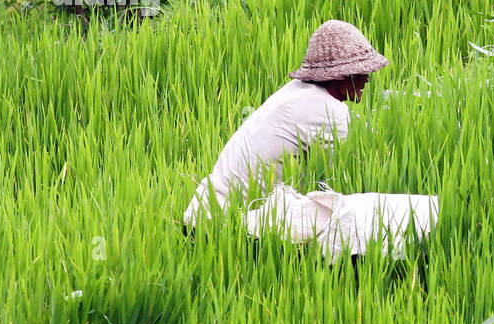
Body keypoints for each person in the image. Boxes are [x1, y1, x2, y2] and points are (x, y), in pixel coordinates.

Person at [182, 20, 437, 261]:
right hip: (231, 227)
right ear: (341, 76)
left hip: (206, 218)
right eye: (362, 72)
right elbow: (373, 154)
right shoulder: (325, 110)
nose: (368, 78)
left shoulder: (295, 93)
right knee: (396, 211)